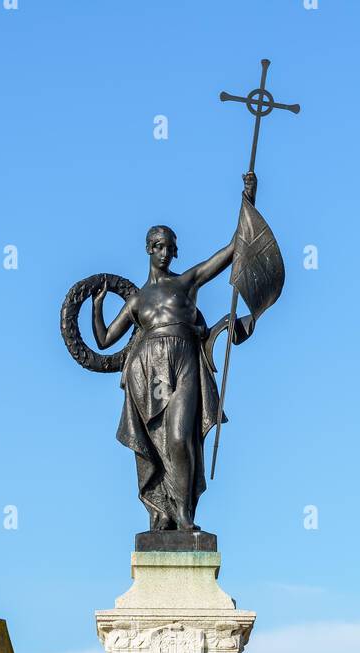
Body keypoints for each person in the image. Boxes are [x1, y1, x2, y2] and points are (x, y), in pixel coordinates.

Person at [91, 173, 257, 531]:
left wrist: (248, 201)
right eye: (159, 246)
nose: (165, 252)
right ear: (149, 248)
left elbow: (232, 250)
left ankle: (184, 514)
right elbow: (104, 341)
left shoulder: (187, 282)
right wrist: (96, 306)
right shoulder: (136, 300)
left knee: (181, 437)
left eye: (170, 247)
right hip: (148, 369)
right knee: (157, 444)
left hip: (184, 360)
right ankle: (162, 509)